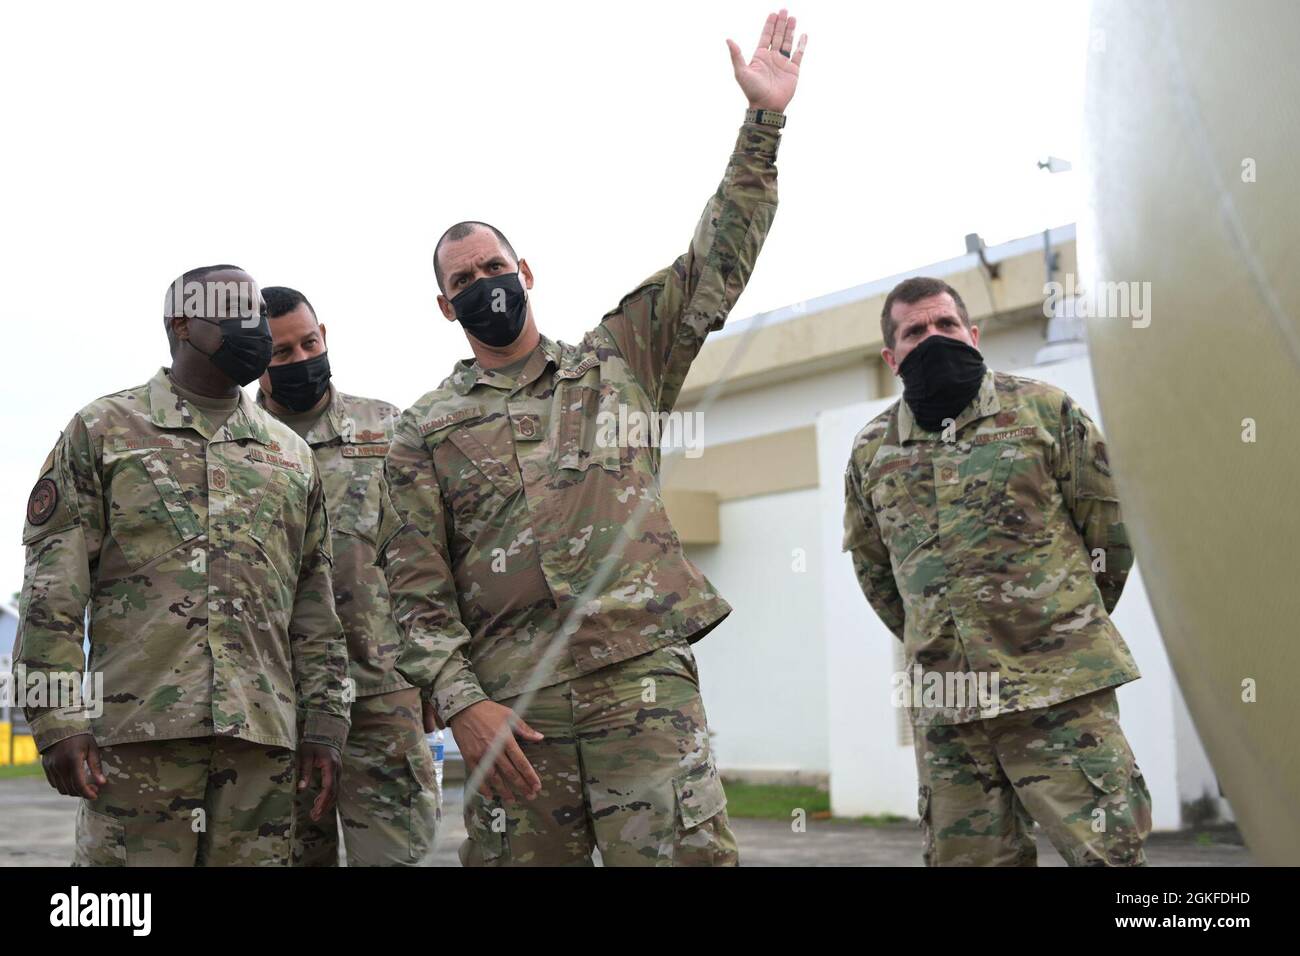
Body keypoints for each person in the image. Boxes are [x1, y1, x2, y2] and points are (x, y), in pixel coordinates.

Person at [382, 9, 807, 866]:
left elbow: (714, 256)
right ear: (444, 306)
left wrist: (763, 122)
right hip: (516, 719)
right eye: (464, 281)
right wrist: (463, 705)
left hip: (642, 695)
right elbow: (414, 600)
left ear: (526, 273)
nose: (485, 286)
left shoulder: (620, 362)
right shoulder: (422, 433)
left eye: (496, 270)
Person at [14, 265, 350, 866]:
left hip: (260, 746)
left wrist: (326, 724)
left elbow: (313, 605)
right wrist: (57, 721)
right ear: (182, 325)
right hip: (139, 740)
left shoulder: (291, 455)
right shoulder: (104, 431)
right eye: (235, 314)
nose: (255, 328)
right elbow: (52, 595)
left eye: (256, 315)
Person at [842, 275, 1153, 866]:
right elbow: (875, 570)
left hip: (1058, 694)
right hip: (950, 709)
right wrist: (940, 638)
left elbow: (1108, 534)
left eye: (946, 325)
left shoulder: (1045, 411)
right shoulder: (871, 450)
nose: (934, 338)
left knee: (1110, 858)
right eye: (915, 331)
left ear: (973, 334)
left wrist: (1062, 629)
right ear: (892, 356)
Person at [256, 285, 439, 866]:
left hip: (383, 696)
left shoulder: (387, 429)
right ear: (255, 362)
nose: (301, 360)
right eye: (281, 353)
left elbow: (432, 556)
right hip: (281, 705)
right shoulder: (238, 447)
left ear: (324, 335)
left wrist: (437, 671)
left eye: (309, 343)